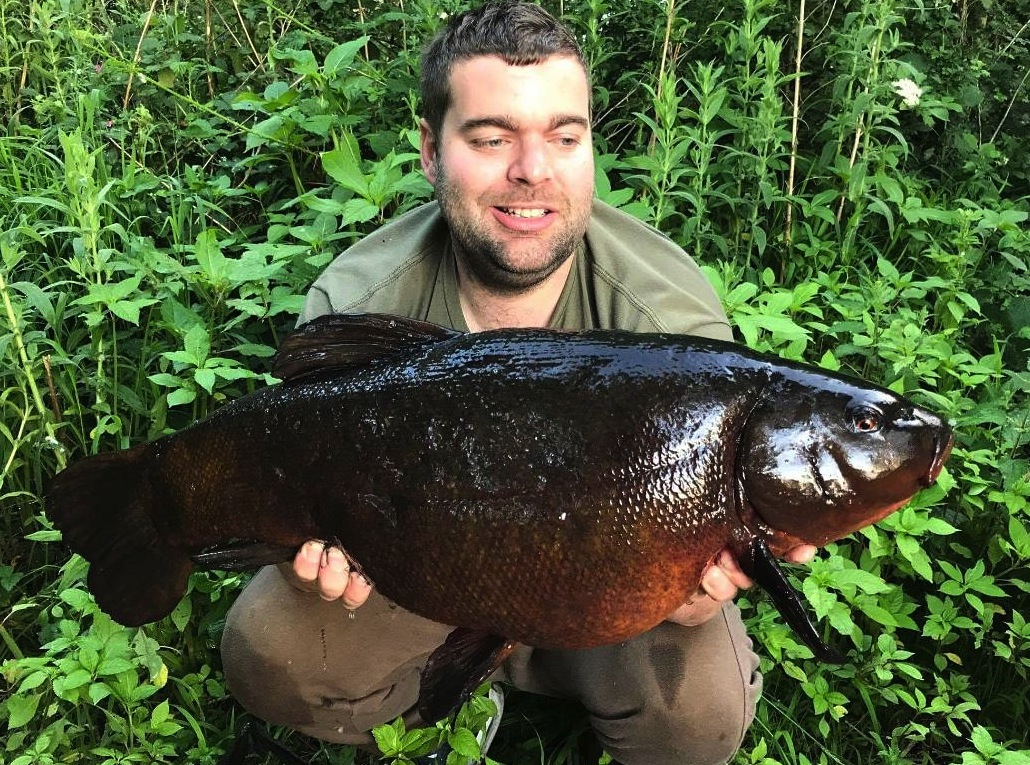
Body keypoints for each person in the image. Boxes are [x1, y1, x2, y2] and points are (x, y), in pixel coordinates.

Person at [220, 3, 816, 764]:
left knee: (698, 716)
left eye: (565, 137)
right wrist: (308, 562)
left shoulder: (664, 313)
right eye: (493, 137)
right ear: (431, 152)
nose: (532, 170)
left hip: (604, 577)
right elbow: (304, 487)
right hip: (420, 567)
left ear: (591, 147)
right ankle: (460, 690)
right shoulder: (363, 297)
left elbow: (708, 543)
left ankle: (538, 668)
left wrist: (693, 588)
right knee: (268, 651)